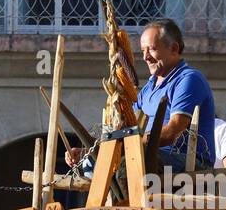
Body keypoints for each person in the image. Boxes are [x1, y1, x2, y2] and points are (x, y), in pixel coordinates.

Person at [64, 19, 216, 171]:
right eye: (143, 50)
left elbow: (172, 131)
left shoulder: (189, 79)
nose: (145, 57)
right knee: (89, 163)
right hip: (147, 154)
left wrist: (131, 147)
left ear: (174, 48)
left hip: (187, 161)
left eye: (152, 49)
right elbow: (129, 126)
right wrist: (90, 152)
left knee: (124, 165)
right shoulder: (149, 88)